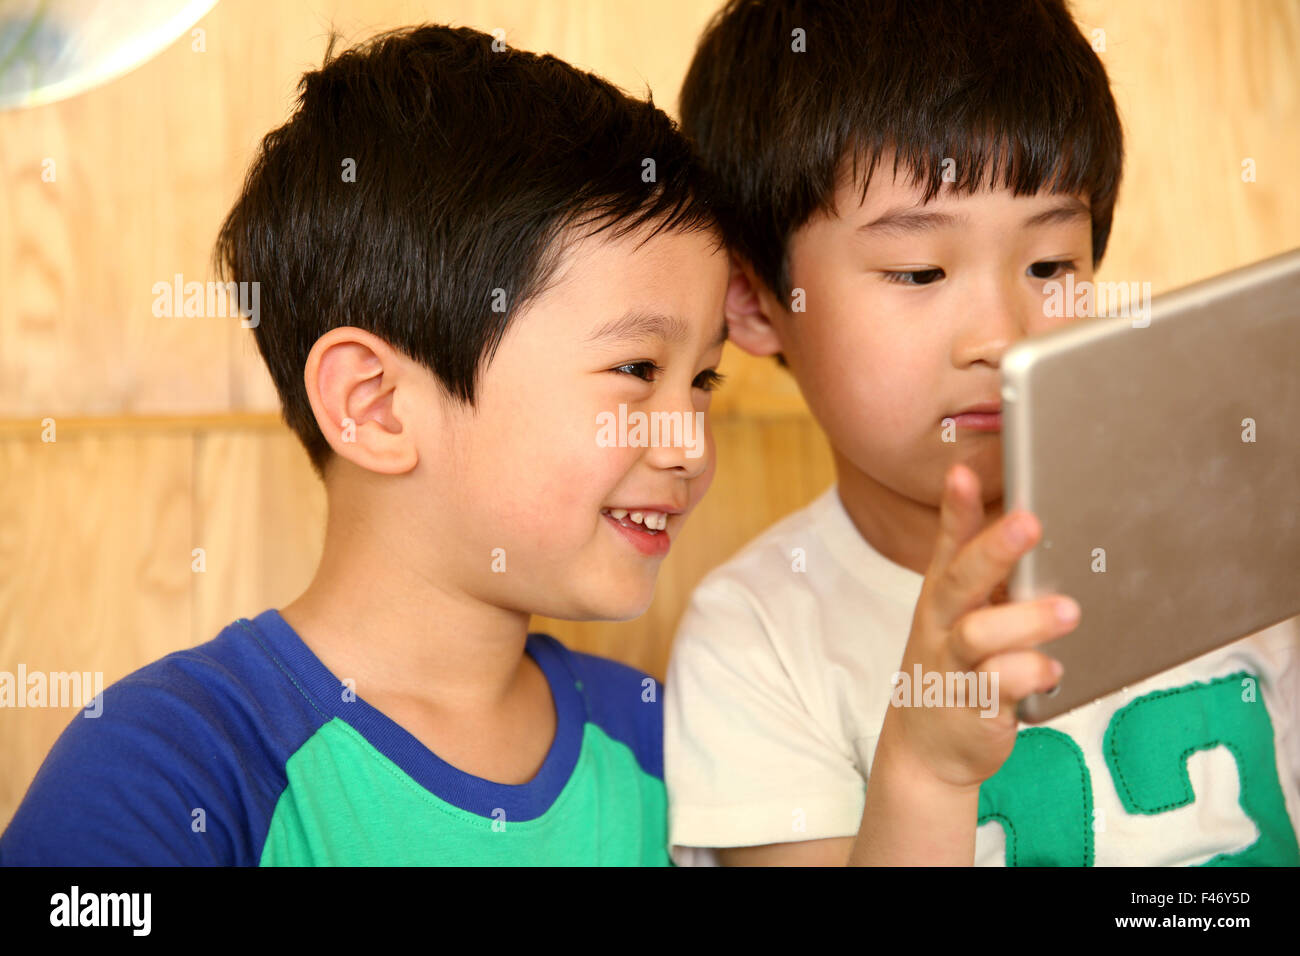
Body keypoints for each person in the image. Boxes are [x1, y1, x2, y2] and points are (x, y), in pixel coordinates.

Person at [1, 24, 729, 865]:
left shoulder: (658, 738)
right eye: (638, 367)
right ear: (376, 405)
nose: (690, 448)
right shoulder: (167, 770)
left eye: (704, 380)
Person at [664, 0, 1300, 866]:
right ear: (755, 301)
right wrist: (924, 772)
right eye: (919, 270)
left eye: (1050, 265)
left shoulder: (1226, 524)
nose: (1001, 334)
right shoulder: (757, 638)